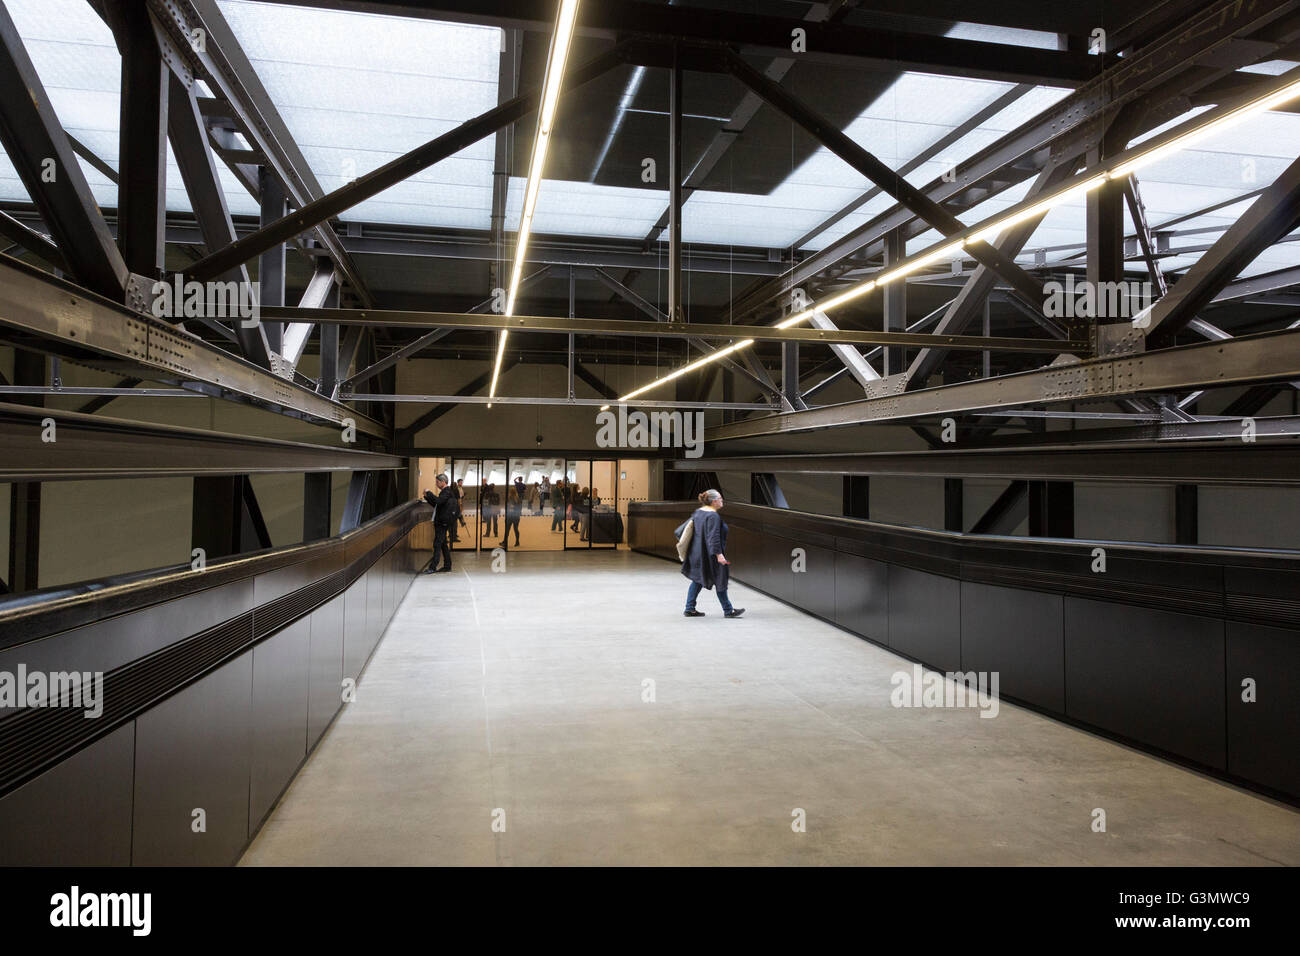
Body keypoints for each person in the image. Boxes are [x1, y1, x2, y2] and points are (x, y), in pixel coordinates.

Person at [680, 489, 744, 618]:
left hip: (698, 554)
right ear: (714, 501)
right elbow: (713, 537)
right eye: (720, 498)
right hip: (711, 555)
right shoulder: (713, 516)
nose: (722, 501)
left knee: (697, 580)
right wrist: (719, 555)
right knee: (721, 580)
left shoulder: (699, 512)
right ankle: (728, 610)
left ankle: (689, 608)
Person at [421, 475, 458, 574]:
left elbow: (438, 501)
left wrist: (429, 492)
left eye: (437, 482)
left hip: (442, 522)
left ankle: (433, 567)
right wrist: (427, 497)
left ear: (443, 482)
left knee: (437, 544)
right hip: (443, 522)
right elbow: (437, 504)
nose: (436, 484)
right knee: (443, 544)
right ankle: (447, 565)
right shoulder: (446, 492)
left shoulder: (447, 492)